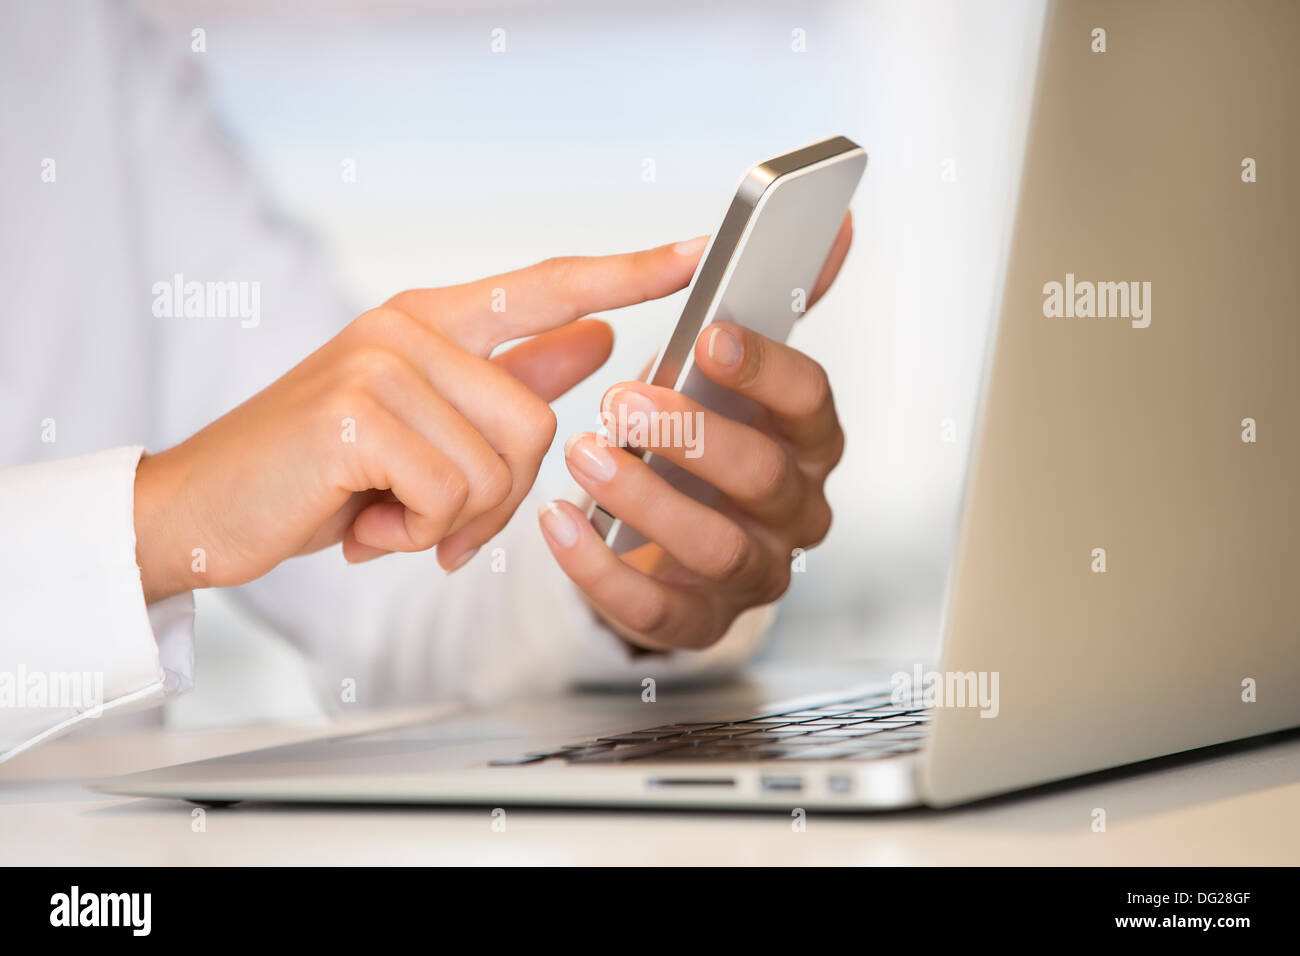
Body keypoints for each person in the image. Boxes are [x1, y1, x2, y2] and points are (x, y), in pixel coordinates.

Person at [0, 1, 849, 760]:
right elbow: (227, 494)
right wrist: (156, 521)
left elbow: (393, 590)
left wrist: (626, 575)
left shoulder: (77, 43)